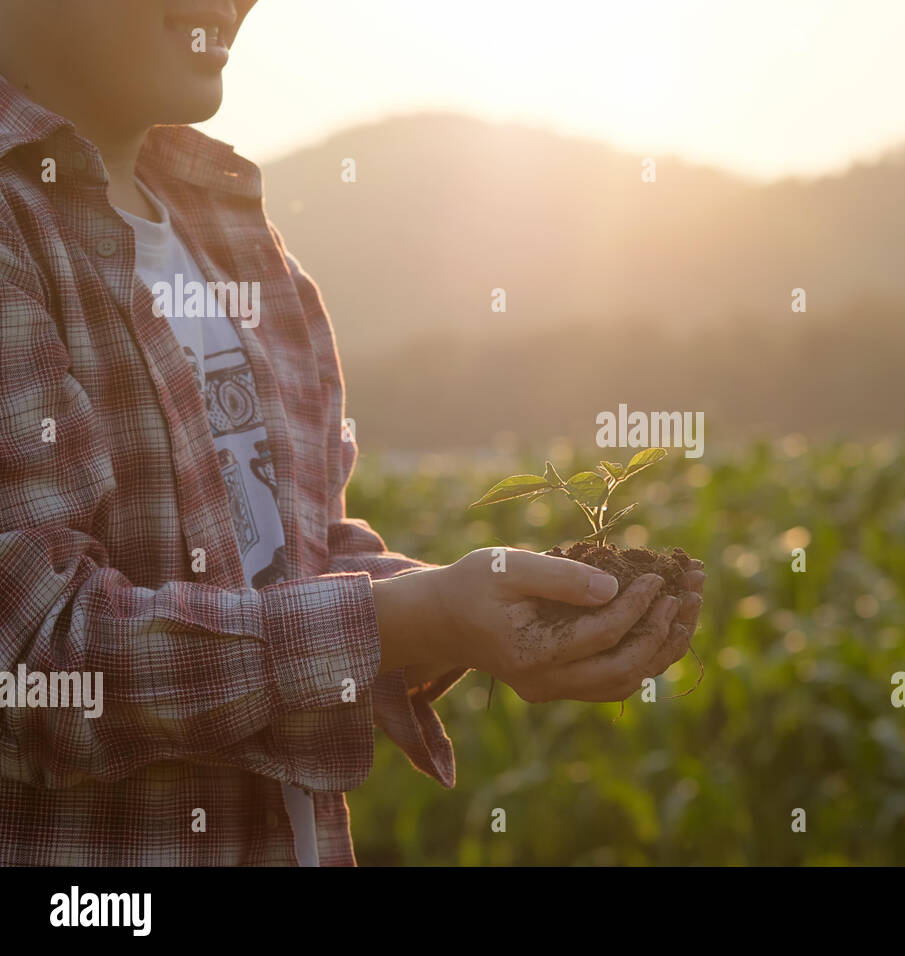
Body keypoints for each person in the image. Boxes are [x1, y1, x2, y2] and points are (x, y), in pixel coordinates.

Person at [0, 0, 704, 866]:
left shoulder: (237, 238)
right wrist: (404, 620)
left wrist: (456, 609)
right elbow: (34, 658)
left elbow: (296, 556)